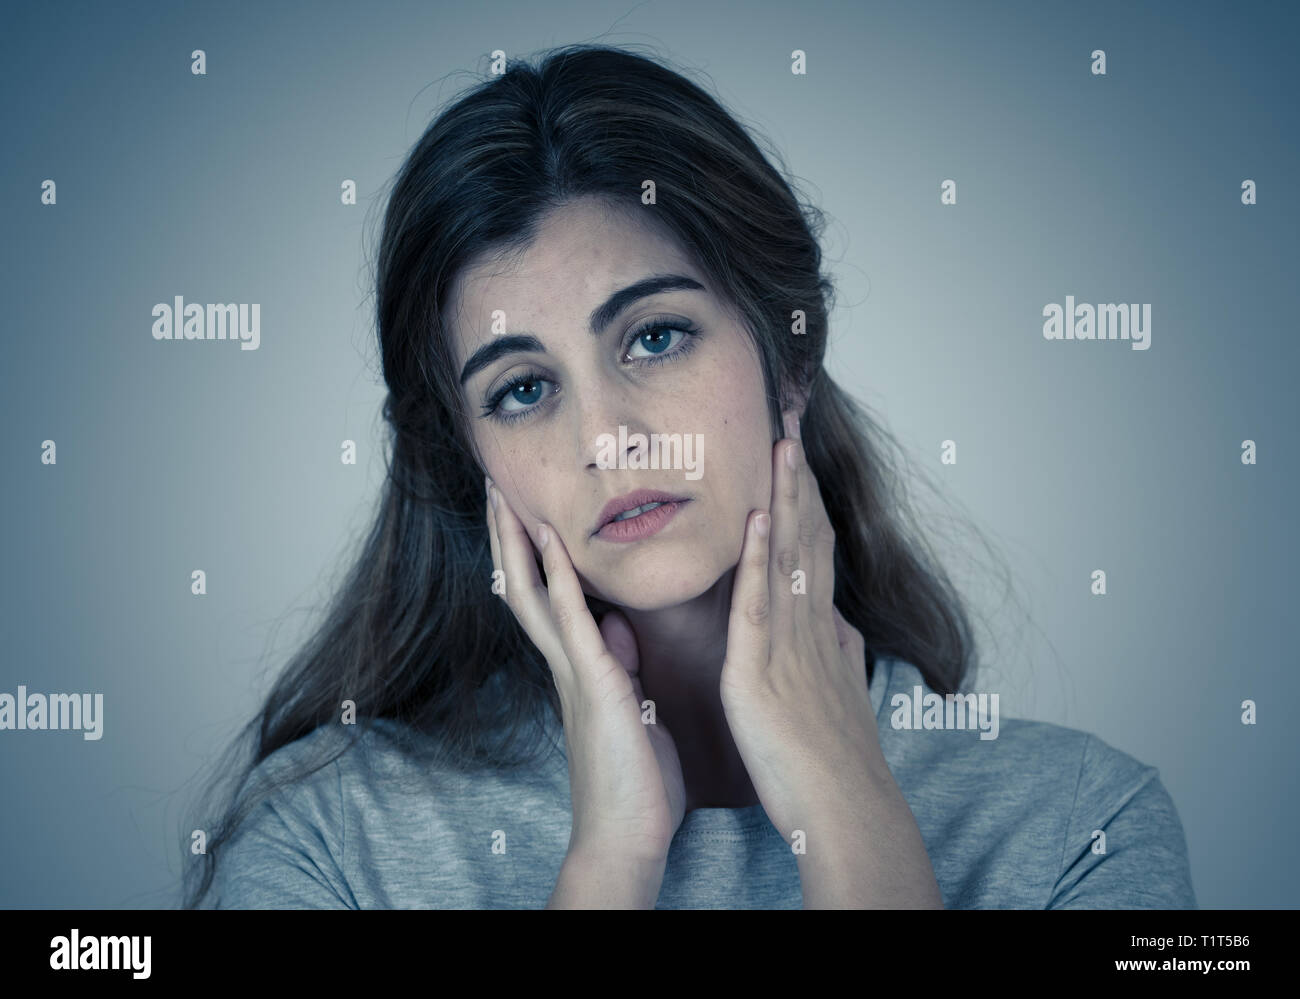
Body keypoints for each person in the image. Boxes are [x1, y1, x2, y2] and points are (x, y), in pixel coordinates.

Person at [182, 43, 1196, 909]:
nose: (610, 438)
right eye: (523, 390)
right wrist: (610, 863)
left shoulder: (1081, 827)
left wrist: (850, 815)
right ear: (468, 456)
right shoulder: (325, 845)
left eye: (655, 336)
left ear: (788, 360)